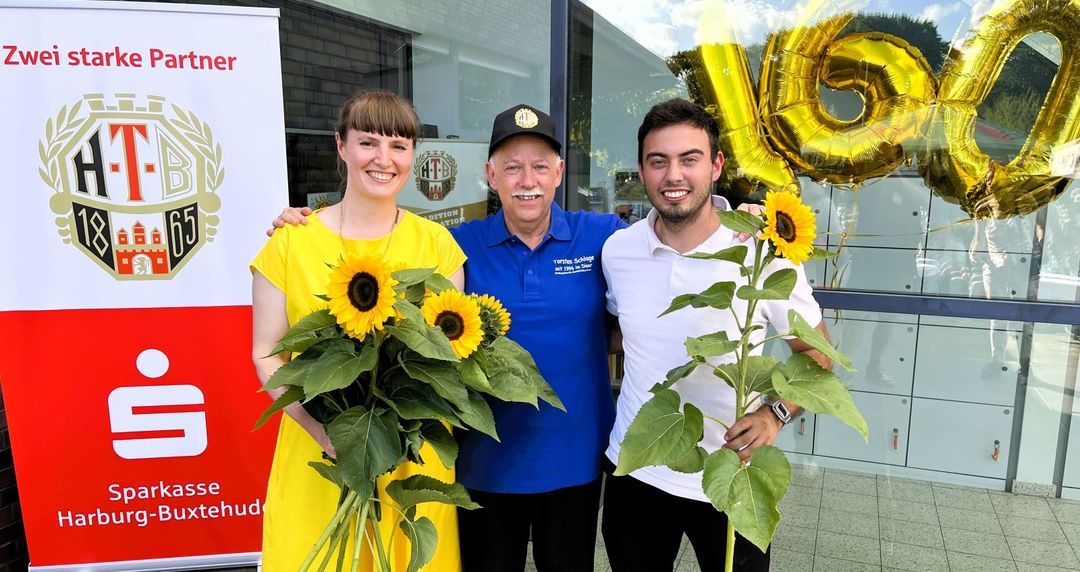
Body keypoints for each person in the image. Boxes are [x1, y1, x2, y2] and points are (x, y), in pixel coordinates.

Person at [268, 102, 765, 572]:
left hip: (575, 462)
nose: (527, 181)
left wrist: (743, 220)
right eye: (511, 167)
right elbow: (384, 250)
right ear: (490, 176)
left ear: (559, 173)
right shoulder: (455, 245)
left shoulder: (603, 237)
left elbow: (672, 226)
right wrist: (304, 222)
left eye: (540, 166)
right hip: (484, 464)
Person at [599, 98, 831, 572]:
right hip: (637, 466)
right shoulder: (618, 251)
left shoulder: (761, 254)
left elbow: (818, 356)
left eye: (690, 159)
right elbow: (622, 332)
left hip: (732, 471)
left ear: (716, 165)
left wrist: (775, 414)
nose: (673, 176)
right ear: (641, 170)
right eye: (658, 161)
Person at [250, 90, 465, 572]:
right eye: (368, 142)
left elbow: (444, 358)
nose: (384, 159)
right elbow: (266, 352)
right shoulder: (290, 243)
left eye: (399, 145)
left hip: (410, 454)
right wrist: (325, 431)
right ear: (341, 146)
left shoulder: (438, 245)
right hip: (319, 448)